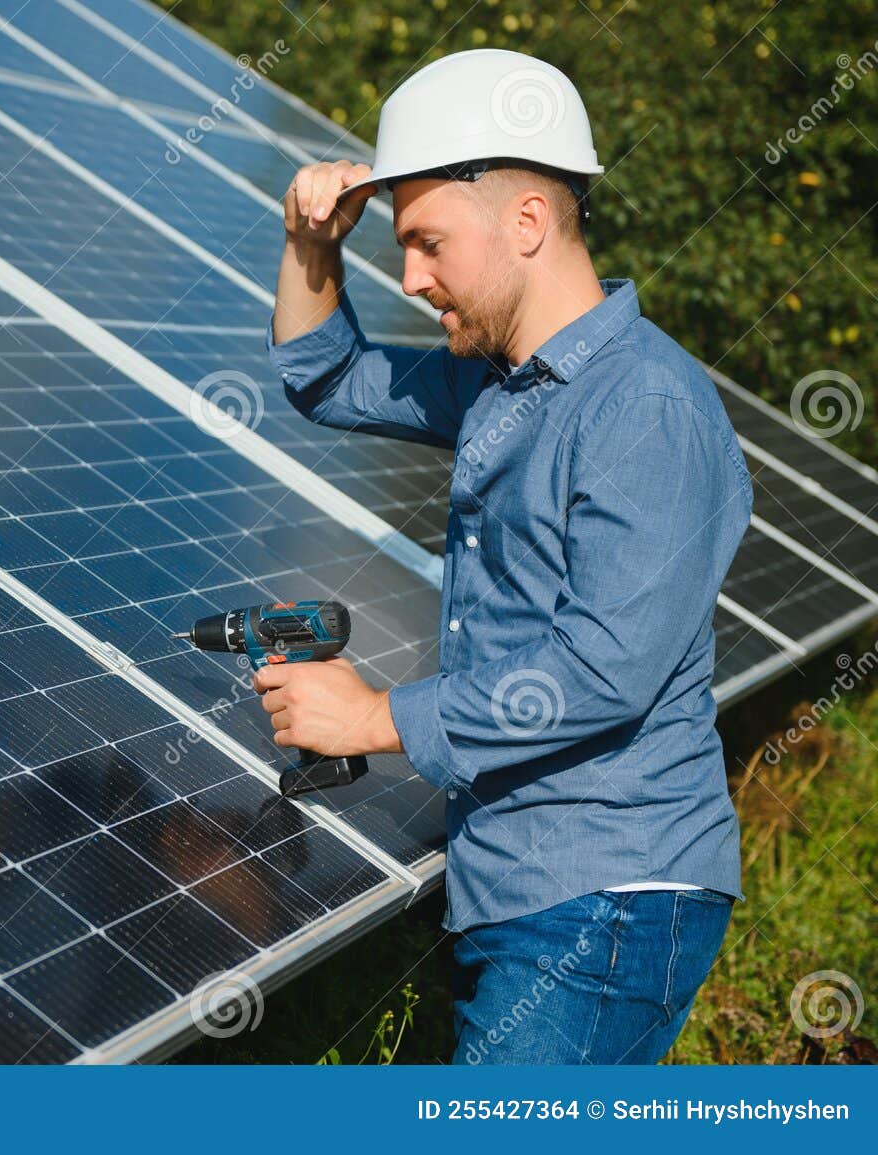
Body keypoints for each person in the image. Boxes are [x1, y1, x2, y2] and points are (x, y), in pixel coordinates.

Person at [253, 49, 752, 1063]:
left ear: (526, 222)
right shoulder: (506, 385)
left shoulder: (641, 408)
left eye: (429, 243)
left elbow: (604, 670)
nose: (411, 277)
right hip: (532, 883)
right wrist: (311, 246)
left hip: (607, 892)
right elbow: (327, 376)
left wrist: (372, 716)